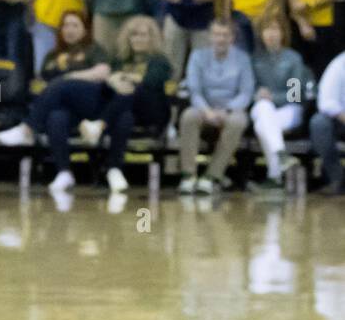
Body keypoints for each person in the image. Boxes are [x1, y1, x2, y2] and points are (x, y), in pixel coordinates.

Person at [0, 10, 112, 193]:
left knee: (61, 84)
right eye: (66, 25)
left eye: (75, 25)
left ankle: (27, 128)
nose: (69, 30)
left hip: (89, 103)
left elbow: (103, 72)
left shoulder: (94, 49)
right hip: (62, 105)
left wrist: (72, 76)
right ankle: (64, 172)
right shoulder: (52, 55)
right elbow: (43, 80)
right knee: (56, 118)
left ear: (84, 29)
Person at [92, 16, 173, 192]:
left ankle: (100, 124)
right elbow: (107, 84)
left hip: (152, 111)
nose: (137, 39)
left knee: (131, 90)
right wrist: (114, 80)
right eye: (133, 35)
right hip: (125, 111)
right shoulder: (119, 61)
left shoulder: (160, 61)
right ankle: (115, 170)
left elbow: (151, 81)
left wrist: (122, 78)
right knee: (124, 118)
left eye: (143, 35)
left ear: (152, 38)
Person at [178, 19, 255, 195]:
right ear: (210, 37)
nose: (221, 39)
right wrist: (207, 111)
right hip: (204, 107)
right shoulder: (197, 56)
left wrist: (226, 110)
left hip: (231, 109)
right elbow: (194, 90)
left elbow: (246, 92)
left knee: (237, 122)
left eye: (225, 35)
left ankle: (212, 176)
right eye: (217, 34)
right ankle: (188, 175)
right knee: (188, 116)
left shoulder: (242, 59)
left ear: (232, 38)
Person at [249, 12, 314, 191]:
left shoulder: (293, 58)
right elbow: (249, 89)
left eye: (275, 29)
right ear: (261, 34)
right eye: (267, 30)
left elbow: (295, 95)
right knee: (263, 109)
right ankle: (280, 154)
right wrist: (258, 94)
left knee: (262, 126)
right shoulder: (255, 59)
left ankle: (275, 177)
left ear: (283, 33)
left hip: (289, 109)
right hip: (263, 107)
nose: (271, 34)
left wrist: (273, 97)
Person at [309, 49, 345, 193]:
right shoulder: (339, 64)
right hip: (340, 120)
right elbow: (326, 102)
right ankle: (337, 178)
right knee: (319, 123)